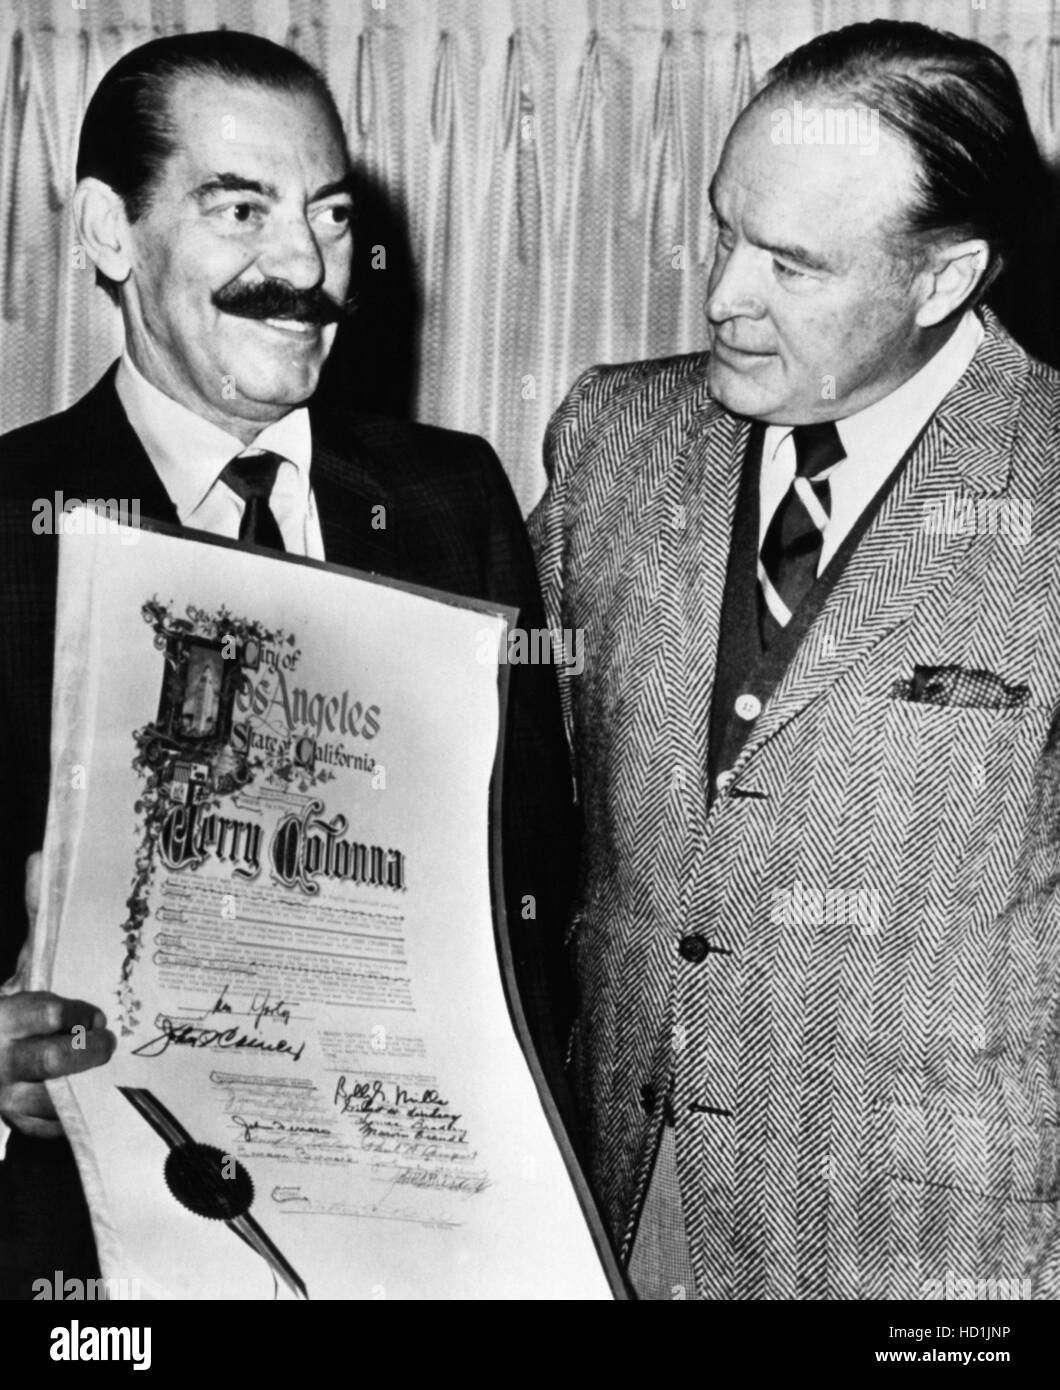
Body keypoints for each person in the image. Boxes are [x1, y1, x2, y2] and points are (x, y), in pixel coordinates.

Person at [0, 30, 576, 1299]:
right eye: (241, 208)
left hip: (416, 1252)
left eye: (327, 214)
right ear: (108, 232)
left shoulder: (452, 496)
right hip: (97, 1264)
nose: (305, 268)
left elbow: (536, 883)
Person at [530, 18, 1060, 1300]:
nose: (722, 295)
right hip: (621, 1206)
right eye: (724, 231)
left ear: (943, 281)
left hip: (942, 1260)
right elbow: (507, 800)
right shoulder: (614, 438)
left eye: (790, 264)